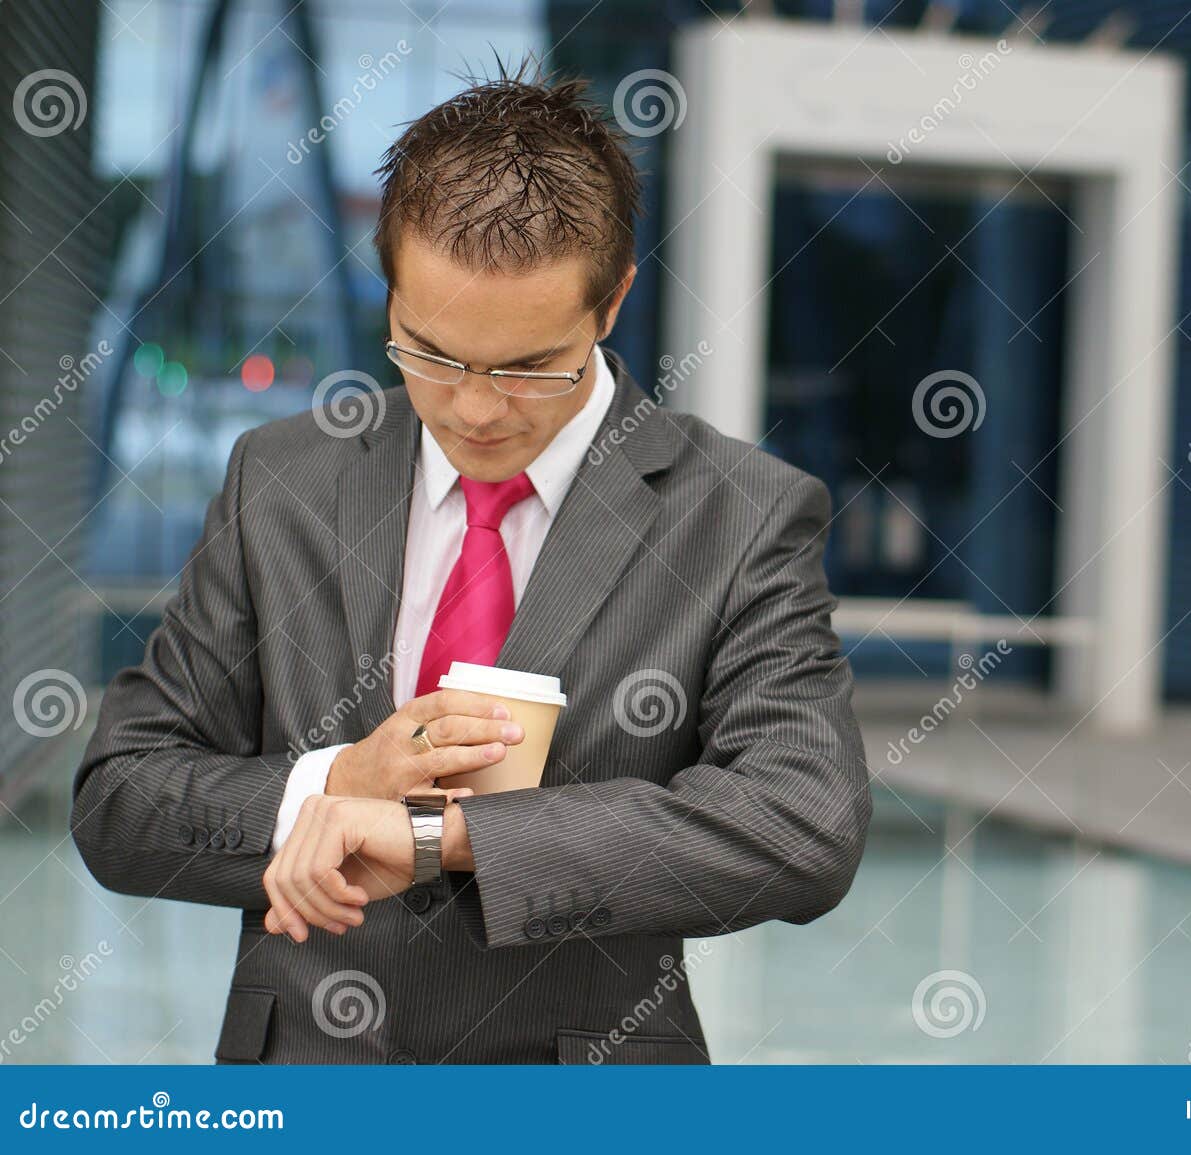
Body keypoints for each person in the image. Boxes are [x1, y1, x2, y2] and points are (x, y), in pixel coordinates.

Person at [71, 64, 871, 1065]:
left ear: (613, 303)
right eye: (432, 354)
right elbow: (122, 799)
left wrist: (446, 840)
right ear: (388, 294)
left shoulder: (739, 514)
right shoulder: (280, 482)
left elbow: (802, 821)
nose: (477, 410)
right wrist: (337, 781)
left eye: (531, 367)